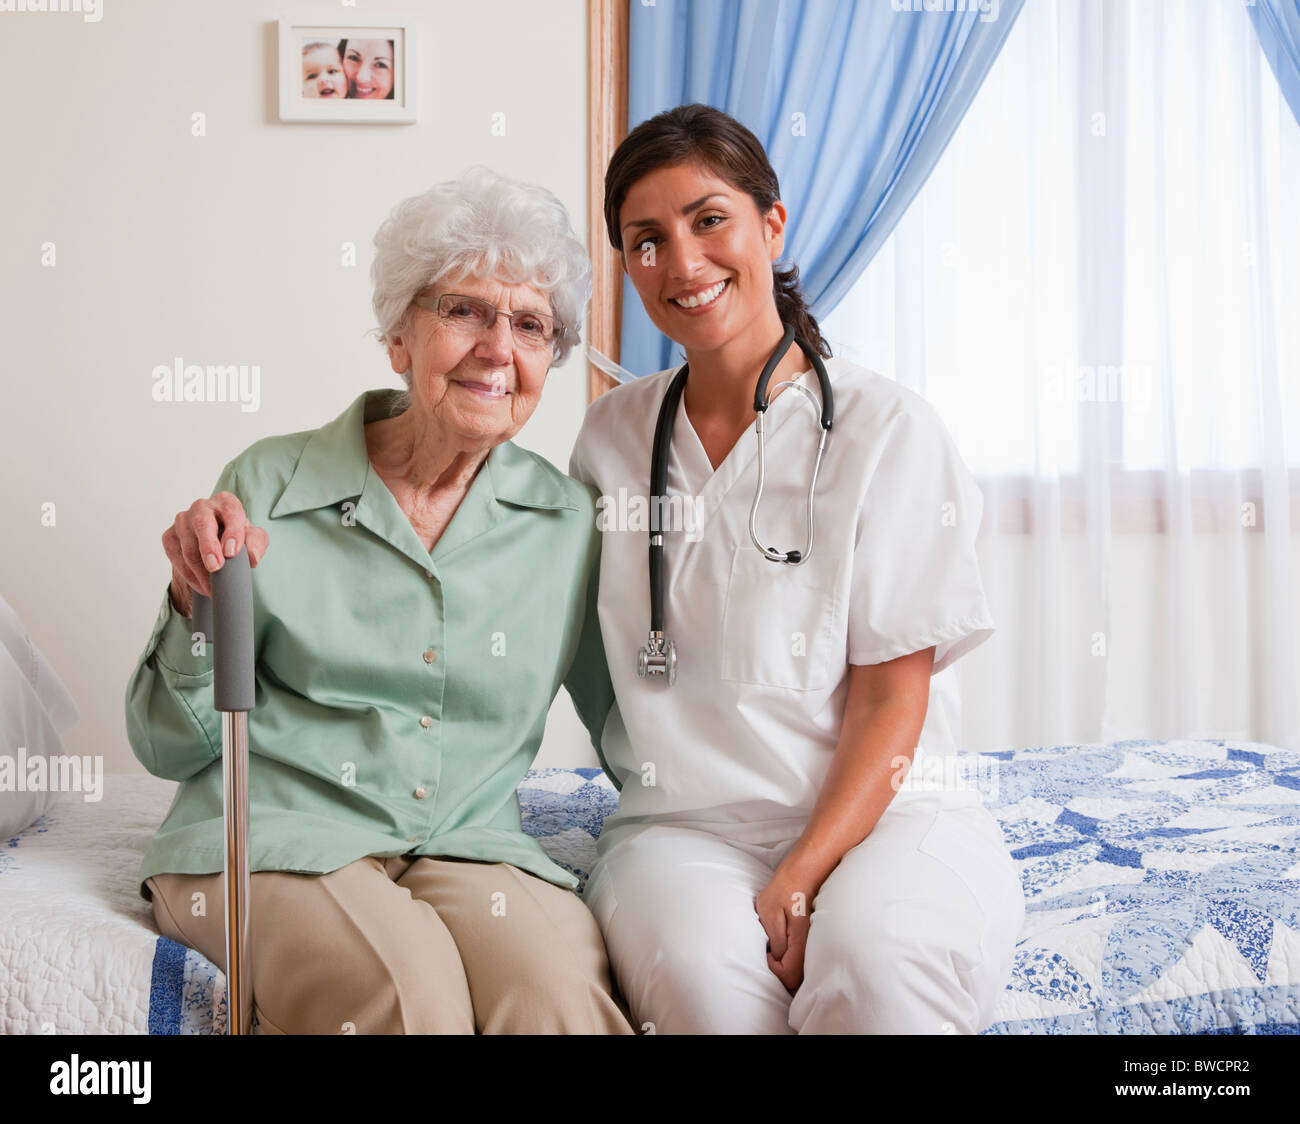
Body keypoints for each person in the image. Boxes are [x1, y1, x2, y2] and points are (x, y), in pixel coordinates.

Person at [125, 165, 633, 1035]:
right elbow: (167, 747)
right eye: (464, 310)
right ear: (399, 336)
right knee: (409, 998)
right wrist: (194, 602)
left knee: (559, 1000)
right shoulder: (270, 485)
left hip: (467, 845)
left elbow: (632, 720)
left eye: (530, 325)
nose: (496, 347)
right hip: (275, 839)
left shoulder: (567, 522)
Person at [569, 103, 1025, 1034]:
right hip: (682, 826)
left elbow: (893, 699)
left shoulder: (886, 430)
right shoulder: (613, 437)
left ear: (771, 225)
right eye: (646, 241)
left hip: (885, 817)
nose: (683, 265)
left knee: (881, 967)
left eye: (709, 220)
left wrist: (804, 870)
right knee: (701, 987)